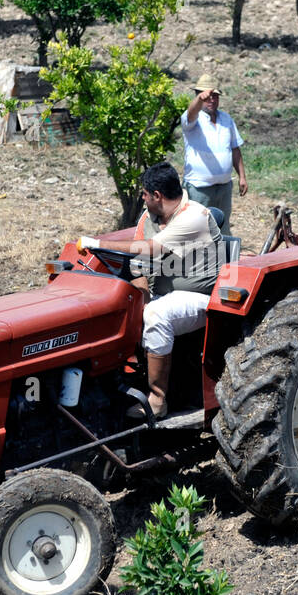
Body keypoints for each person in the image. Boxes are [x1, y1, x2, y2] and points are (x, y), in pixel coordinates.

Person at [78, 163, 221, 417]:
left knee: (157, 314)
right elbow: (138, 265)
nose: (142, 198)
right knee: (118, 308)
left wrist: (96, 243)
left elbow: (149, 249)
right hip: (162, 293)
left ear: (157, 195)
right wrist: (140, 297)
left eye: (144, 193)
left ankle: (157, 399)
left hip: (203, 297)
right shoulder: (149, 217)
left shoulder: (194, 216)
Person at [180, 73, 246, 232]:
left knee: (222, 229)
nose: (211, 99)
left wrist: (242, 177)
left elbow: (235, 148)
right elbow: (191, 112)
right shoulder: (193, 120)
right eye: (207, 96)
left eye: (215, 96)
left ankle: (224, 257)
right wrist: (199, 100)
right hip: (199, 188)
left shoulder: (226, 119)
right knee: (198, 230)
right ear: (198, 97)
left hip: (224, 187)